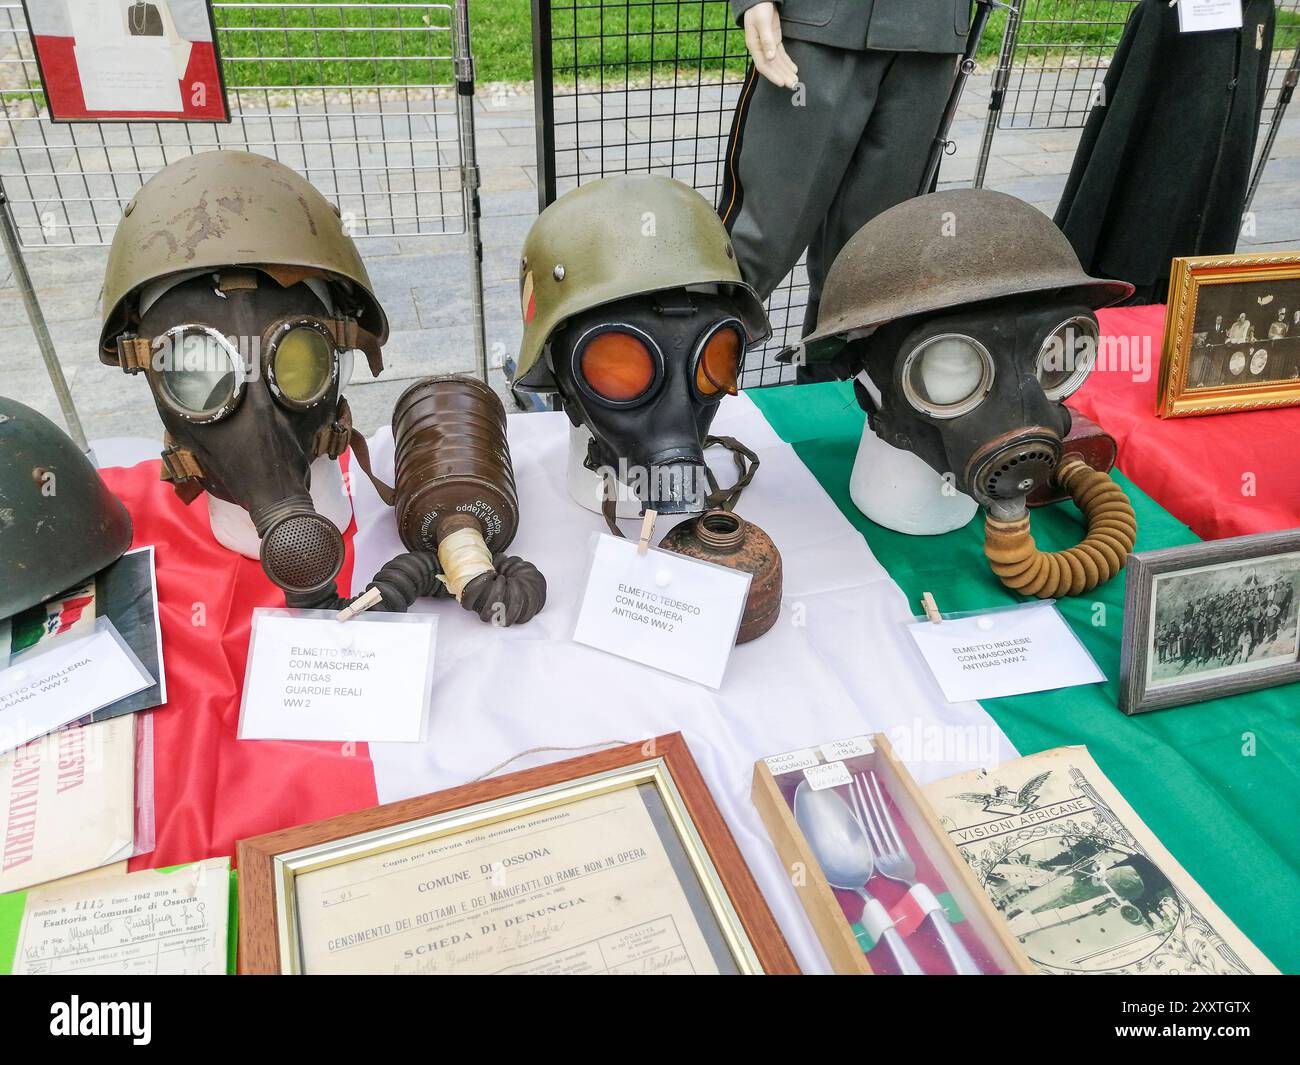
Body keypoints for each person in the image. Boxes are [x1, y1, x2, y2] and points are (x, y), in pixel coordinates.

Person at [720, 1, 972, 380]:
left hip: (929, 39)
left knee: (867, 271)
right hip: (815, 28)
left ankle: (827, 416)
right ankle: (666, 398)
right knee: (755, 245)